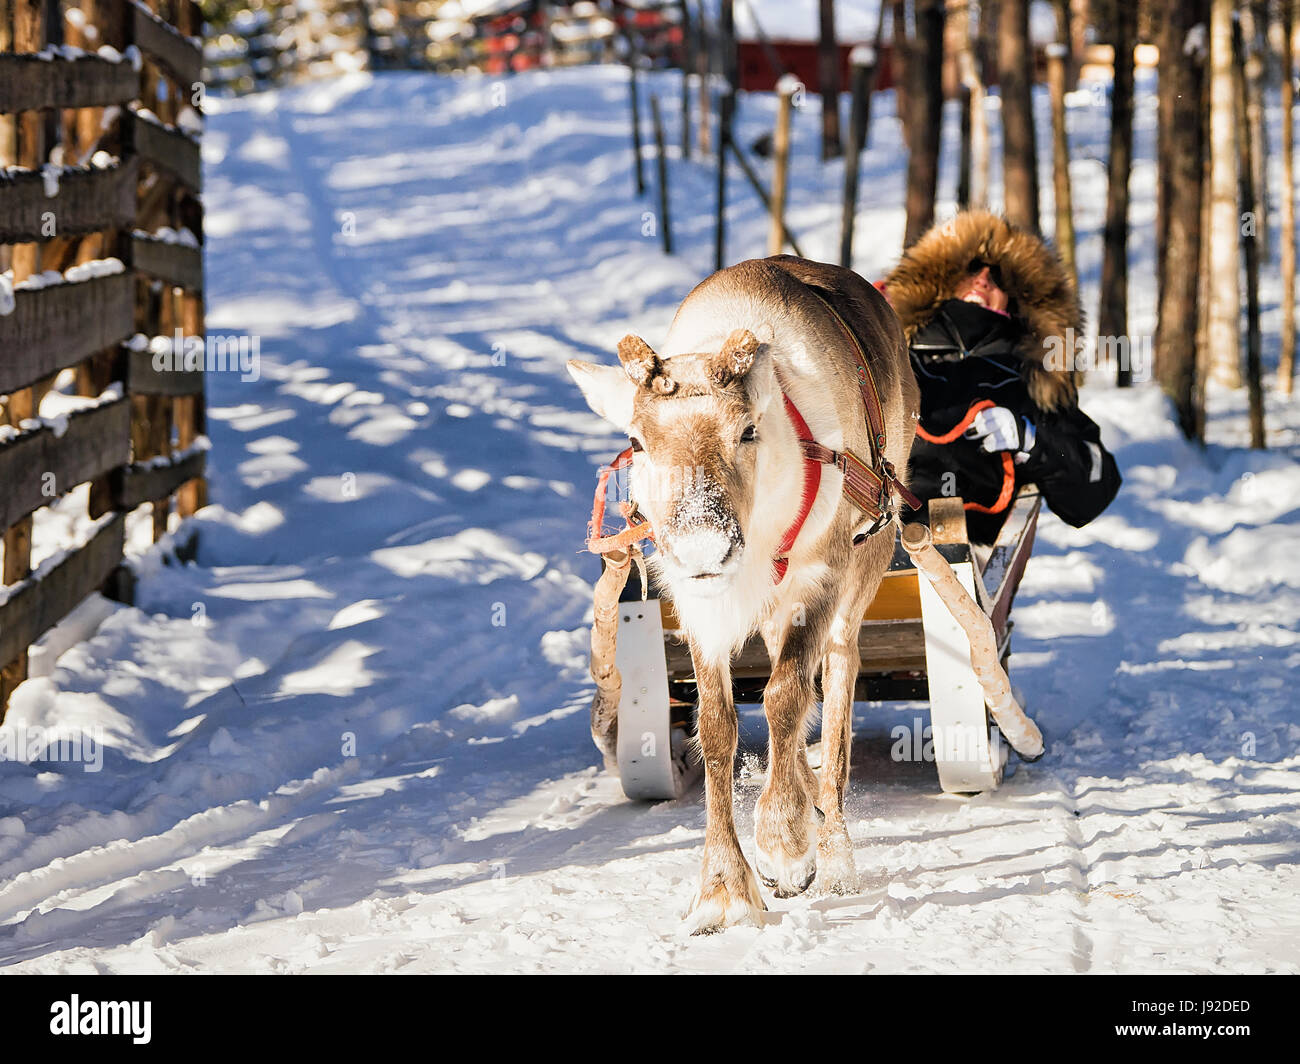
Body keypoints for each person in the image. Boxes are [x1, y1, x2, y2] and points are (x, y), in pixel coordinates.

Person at [883, 210, 1121, 544]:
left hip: (973, 554)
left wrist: (1032, 441)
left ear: (1018, 299)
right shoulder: (889, 355)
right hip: (867, 539)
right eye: (970, 269)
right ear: (939, 278)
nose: (983, 280)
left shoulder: (1031, 379)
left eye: (1000, 277)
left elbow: (1095, 487)